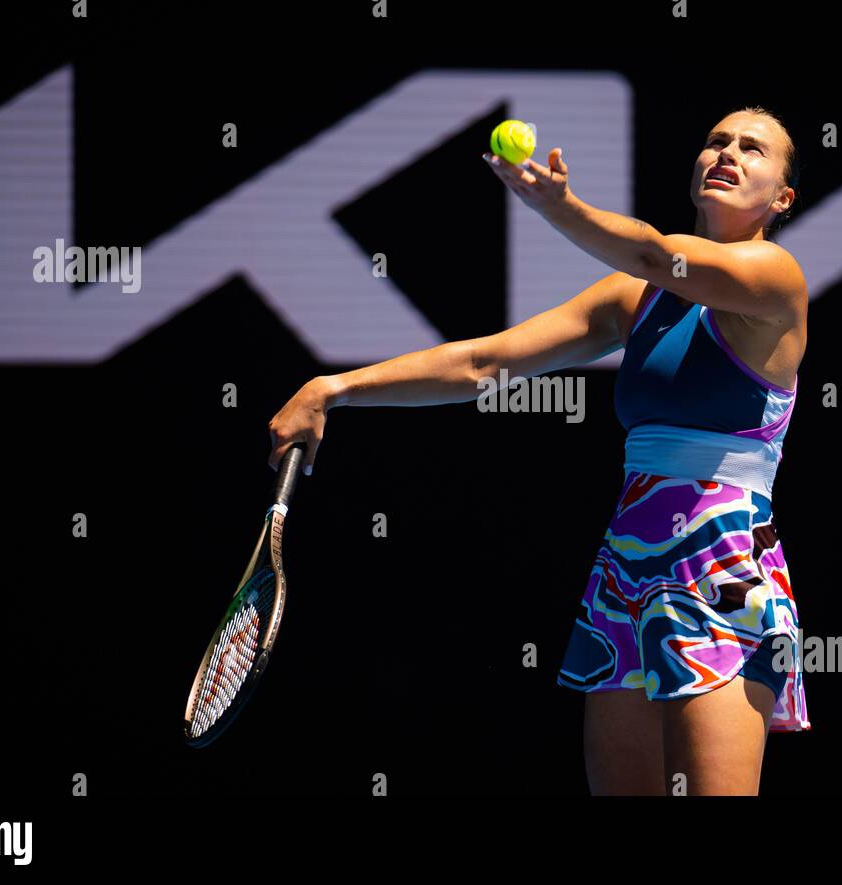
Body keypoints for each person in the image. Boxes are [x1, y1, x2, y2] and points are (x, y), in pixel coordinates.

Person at [267, 106, 809, 796]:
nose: (728, 153)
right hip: (626, 574)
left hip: (725, 568)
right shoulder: (633, 298)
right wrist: (334, 387)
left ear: (783, 197)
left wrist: (562, 207)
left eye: (753, 149)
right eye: (716, 141)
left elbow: (653, 250)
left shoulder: (775, 277)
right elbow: (480, 364)